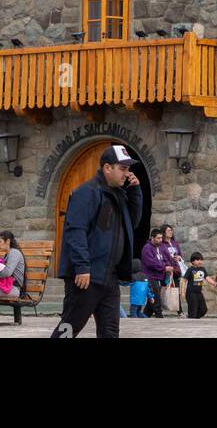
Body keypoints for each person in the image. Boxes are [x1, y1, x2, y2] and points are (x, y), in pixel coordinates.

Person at [51, 144, 143, 340]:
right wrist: (82, 266)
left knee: (110, 332)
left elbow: (132, 223)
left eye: (128, 169)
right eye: (122, 168)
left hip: (109, 277)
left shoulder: (119, 195)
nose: (127, 174)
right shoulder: (87, 192)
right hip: (86, 276)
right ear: (107, 168)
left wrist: (135, 192)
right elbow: (75, 230)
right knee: (69, 328)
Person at [141, 228, 175, 316]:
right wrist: (164, 268)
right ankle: (159, 316)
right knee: (156, 297)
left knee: (152, 300)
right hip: (150, 277)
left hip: (159, 277)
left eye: (161, 238)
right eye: (158, 238)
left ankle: (145, 316)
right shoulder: (147, 248)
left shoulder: (161, 247)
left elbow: (165, 259)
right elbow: (151, 263)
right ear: (152, 238)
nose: (160, 240)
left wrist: (169, 265)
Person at [182, 253, 217, 319]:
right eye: (197, 260)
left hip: (199, 293)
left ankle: (193, 318)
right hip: (191, 293)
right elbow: (184, 281)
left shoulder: (202, 269)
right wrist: (182, 292)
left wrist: (213, 283)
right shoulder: (190, 270)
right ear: (192, 261)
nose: (200, 261)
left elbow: (207, 277)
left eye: (201, 260)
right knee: (193, 310)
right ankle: (192, 319)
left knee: (203, 310)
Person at [161, 224, 185, 315]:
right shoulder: (162, 244)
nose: (171, 232)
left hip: (176, 270)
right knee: (164, 289)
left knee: (176, 290)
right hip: (166, 271)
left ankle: (180, 311)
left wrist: (179, 257)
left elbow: (180, 255)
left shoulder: (175, 243)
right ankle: (159, 310)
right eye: (168, 230)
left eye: (171, 230)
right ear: (163, 232)